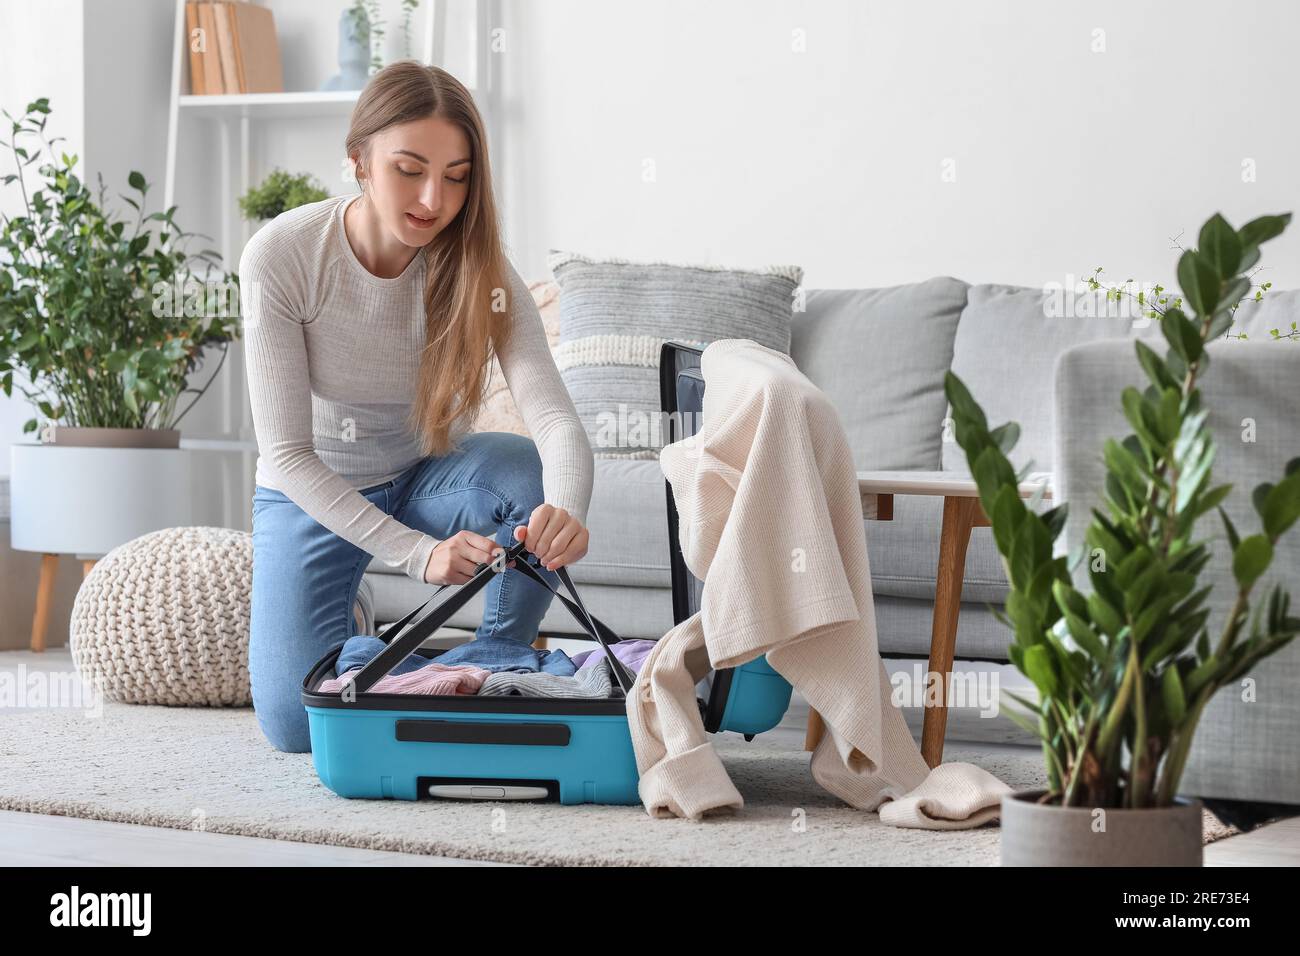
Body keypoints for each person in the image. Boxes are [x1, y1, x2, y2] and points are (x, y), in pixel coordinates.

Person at [240, 61, 594, 752]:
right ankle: (362, 635)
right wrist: (416, 554)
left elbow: (554, 419)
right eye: (410, 168)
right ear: (358, 162)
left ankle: (486, 674)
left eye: (457, 176)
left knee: (527, 475)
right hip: (312, 492)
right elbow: (286, 454)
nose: (434, 197)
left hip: (426, 476)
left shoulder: (478, 269)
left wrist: (571, 507)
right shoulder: (282, 255)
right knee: (293, 725)